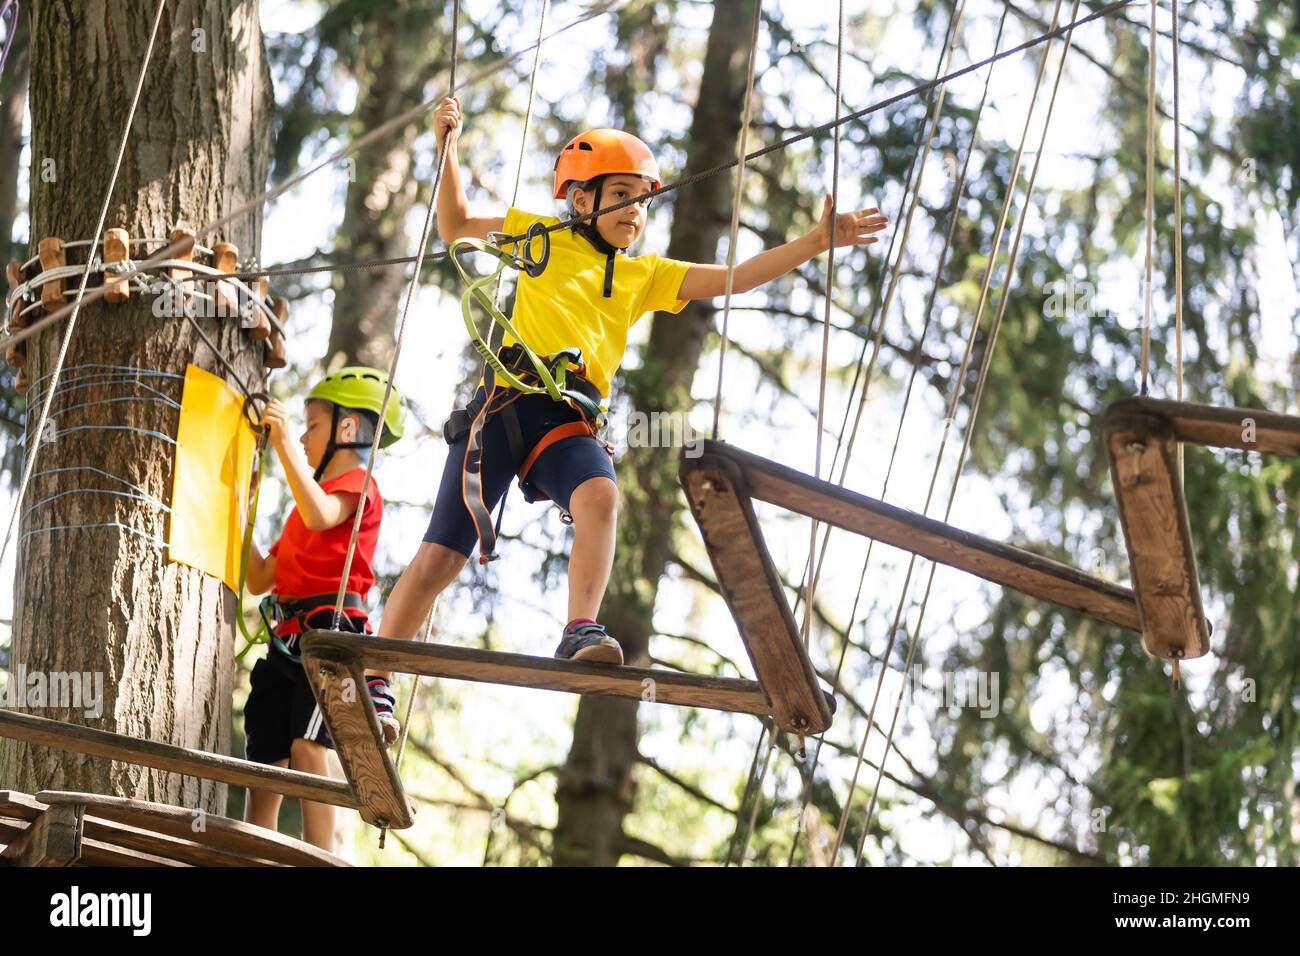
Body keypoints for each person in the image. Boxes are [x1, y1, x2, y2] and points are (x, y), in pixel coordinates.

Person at [374, 96, 888, 736]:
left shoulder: (646, 275)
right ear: (581, 198)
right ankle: (376, 676)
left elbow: (735, 277)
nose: (637, 211)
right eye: (622, 194)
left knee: (599, 496)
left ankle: (577, 627)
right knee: (440, 559)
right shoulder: (541, 234)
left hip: (568, 422)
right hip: (504, 407)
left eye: (644, 200)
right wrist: (446, 144)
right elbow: (453, 226)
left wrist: (815, 242)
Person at [241, 367, 404, 850]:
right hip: (285, 641)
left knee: (308, 746)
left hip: (331, 638)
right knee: (265, 753)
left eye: (313, 426)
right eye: (305, 428)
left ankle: (318, 855)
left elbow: (321, 514)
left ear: (347, 429)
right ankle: (256, 848)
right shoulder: (300, 512)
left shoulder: (360, 486)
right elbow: (258, 579)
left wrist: (283, 442)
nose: (305, 437)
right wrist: (242, 506)